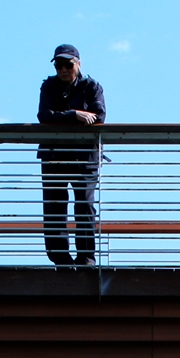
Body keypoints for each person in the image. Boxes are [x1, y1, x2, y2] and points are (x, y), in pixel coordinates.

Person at [36, 44, 105, 266]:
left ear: (79, 64)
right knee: (54, 205)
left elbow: (99, 115)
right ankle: (60, 257)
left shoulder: (92, 86)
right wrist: (74, 114)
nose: (63, 69)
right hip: (54, 154)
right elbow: (44, 115)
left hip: (84, 155)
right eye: (59, 65)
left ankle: (86, 257)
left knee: (84, 205)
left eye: (68, 64)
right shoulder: (48, 86)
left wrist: (62, 116)